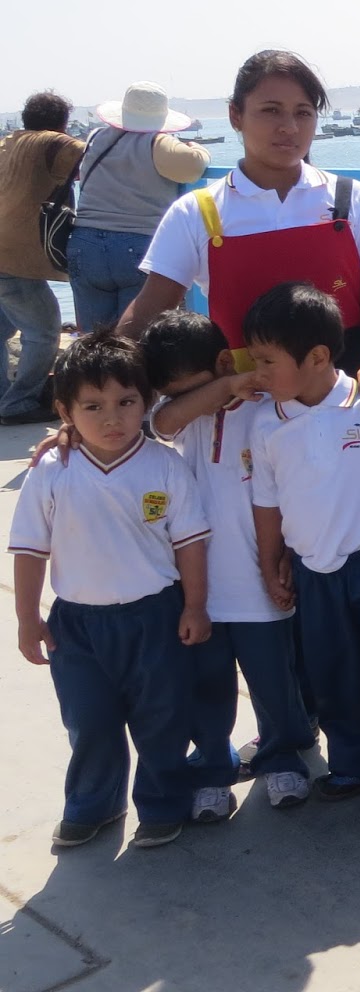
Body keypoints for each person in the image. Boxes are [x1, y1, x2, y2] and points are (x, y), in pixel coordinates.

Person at [119, 50, 360, 434]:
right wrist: (91, 395)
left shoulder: (351, 199)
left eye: (303, 112)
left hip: (357, 396)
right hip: (253, 404)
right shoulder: (196, 213)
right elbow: (146, 312)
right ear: (235, 115)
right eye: (271, 110)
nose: (289, 127)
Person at [9, 330, 211, 849]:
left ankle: (163, 804)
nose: (112, 418)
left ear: (148, 401)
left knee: (162, 719)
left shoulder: (165, 464)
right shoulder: (50, 471)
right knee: (89, 720)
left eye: (126, 402)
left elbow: (190, 544)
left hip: (155, 617)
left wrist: (194, 606)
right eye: (92, 406)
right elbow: (30, 550)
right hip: (77, 626)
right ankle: (93, 804)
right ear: (64, 412)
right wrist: (28, 619)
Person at [245, 283, 360, 832]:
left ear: (318, 357)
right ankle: (353, 763)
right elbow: (267, 503)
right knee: (333, 674)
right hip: (313, 571)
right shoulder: (265, 422)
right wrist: (271, 563)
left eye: (267, 361)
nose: (258, 372)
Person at [141, 310, 317, 820]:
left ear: (222, 361)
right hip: (199, 588)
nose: (183, 402)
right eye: (173, 394)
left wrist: (284, 558)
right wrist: (220, 388)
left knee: (274, 682)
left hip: (260, 583)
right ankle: (213, 770)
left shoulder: (267, 410)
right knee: (208, 687)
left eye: (191, 389)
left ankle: (281, 757)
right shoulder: (182, 417)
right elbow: (162, 421)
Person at [70, 83, 209, 333]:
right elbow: (194, 166)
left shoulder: (95, 137)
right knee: (134, 338)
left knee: (92, 339)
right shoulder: (158, 143)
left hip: (85, 242)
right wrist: (197, 148)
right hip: (136, 243)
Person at [0, 92, 82, 425]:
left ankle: (3, 396)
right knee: (45, 330)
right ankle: (18, 404)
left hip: (3, 254)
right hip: (13, 261)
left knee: (3, 328)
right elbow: (100, 161)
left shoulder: (9, 141)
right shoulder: (56, 143)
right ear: (62, 123)